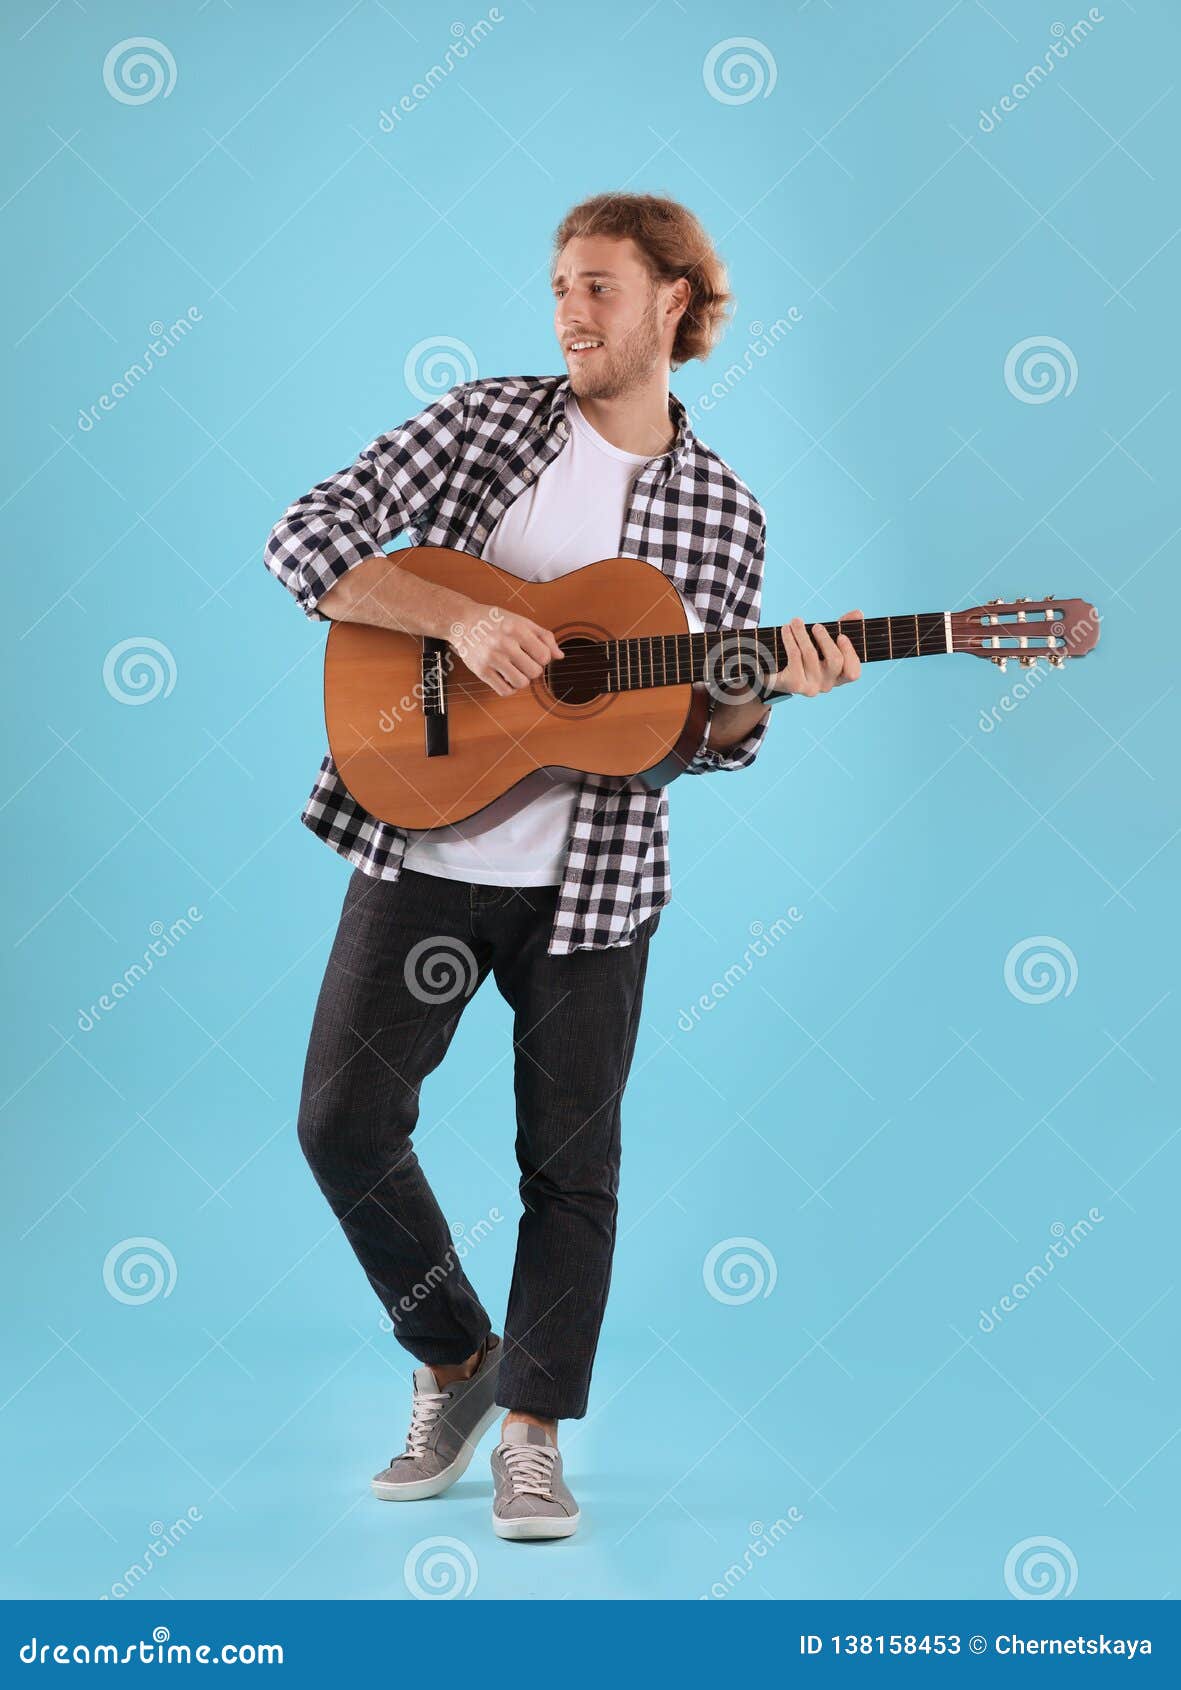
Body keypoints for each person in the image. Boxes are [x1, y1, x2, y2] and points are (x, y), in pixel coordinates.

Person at [263, 192, 862, 1543]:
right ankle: (459, 1358)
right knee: (341, 1122)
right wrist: (466, 618)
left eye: (597, 286)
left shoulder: (722, 510)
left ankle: (531, 1434)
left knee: (571, 1168)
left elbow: (678, 738)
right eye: (557, 287)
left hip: (592, 884)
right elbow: (306, 541)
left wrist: (760, 700)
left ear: (673, 302)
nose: (567, 312)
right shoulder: (485, 423)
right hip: (426, 831)